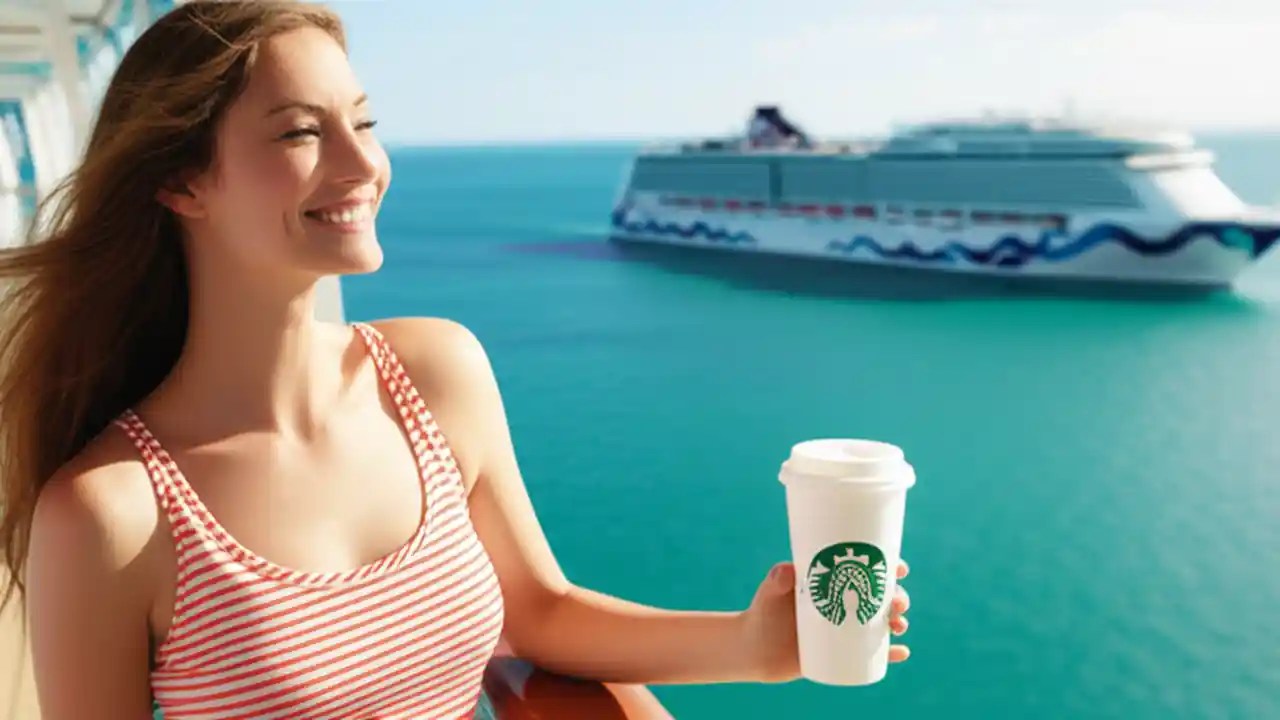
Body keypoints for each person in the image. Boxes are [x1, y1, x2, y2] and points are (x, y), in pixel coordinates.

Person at [0, 2, 911, 717]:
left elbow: (539, 612)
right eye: (299, 132)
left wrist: (757, 646)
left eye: (365, 121)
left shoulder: (435, 374)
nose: (365, 163)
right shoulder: (109, 515)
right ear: (181, 181)